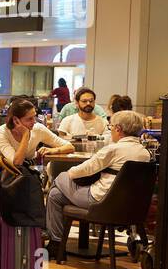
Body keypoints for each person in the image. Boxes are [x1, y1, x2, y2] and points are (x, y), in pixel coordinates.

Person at [45, 110, 151, 259]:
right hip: (129, 206)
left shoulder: (113, 149)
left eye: (111, 127)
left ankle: (56, 245)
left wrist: (68, 173)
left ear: (118, 129)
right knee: (55, 195)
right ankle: (56, 245)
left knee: (60, 177)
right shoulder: (145, 153)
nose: (110, 130)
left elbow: (81, 170)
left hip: (100, 202)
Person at [0, 97, 75, 166]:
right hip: (10, 175)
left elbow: (70, 147)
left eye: (34, 117)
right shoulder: (1, 132)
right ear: (16, 120)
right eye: (29, 119)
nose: (34, 121)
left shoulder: (38, 129)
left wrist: (52, 150)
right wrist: (25, 135)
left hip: (29, 172)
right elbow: (17, 162)